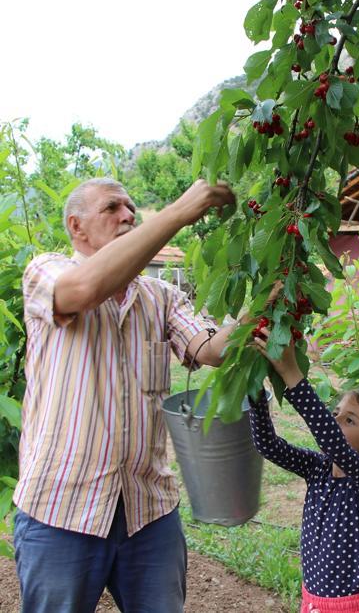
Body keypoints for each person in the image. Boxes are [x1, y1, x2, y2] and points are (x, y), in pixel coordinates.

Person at [13, 177, 239, 613]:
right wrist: (176, 212)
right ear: (77, 227)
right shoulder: (46, 270)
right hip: (60, 510)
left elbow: (211, 348)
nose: (128, 215)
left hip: (147, 512)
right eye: (112, 208)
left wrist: (272, 300)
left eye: (133, 208)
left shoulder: (161, 298)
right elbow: (83, 291)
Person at [250, 334, 359, 613]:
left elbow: (332, 441)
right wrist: (255, 391)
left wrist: (291, 373)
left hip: (354, 608)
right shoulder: (318, 468)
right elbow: (268, 446)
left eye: (348, 420)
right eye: (336, 413)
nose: (335, 421)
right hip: (313, 603)